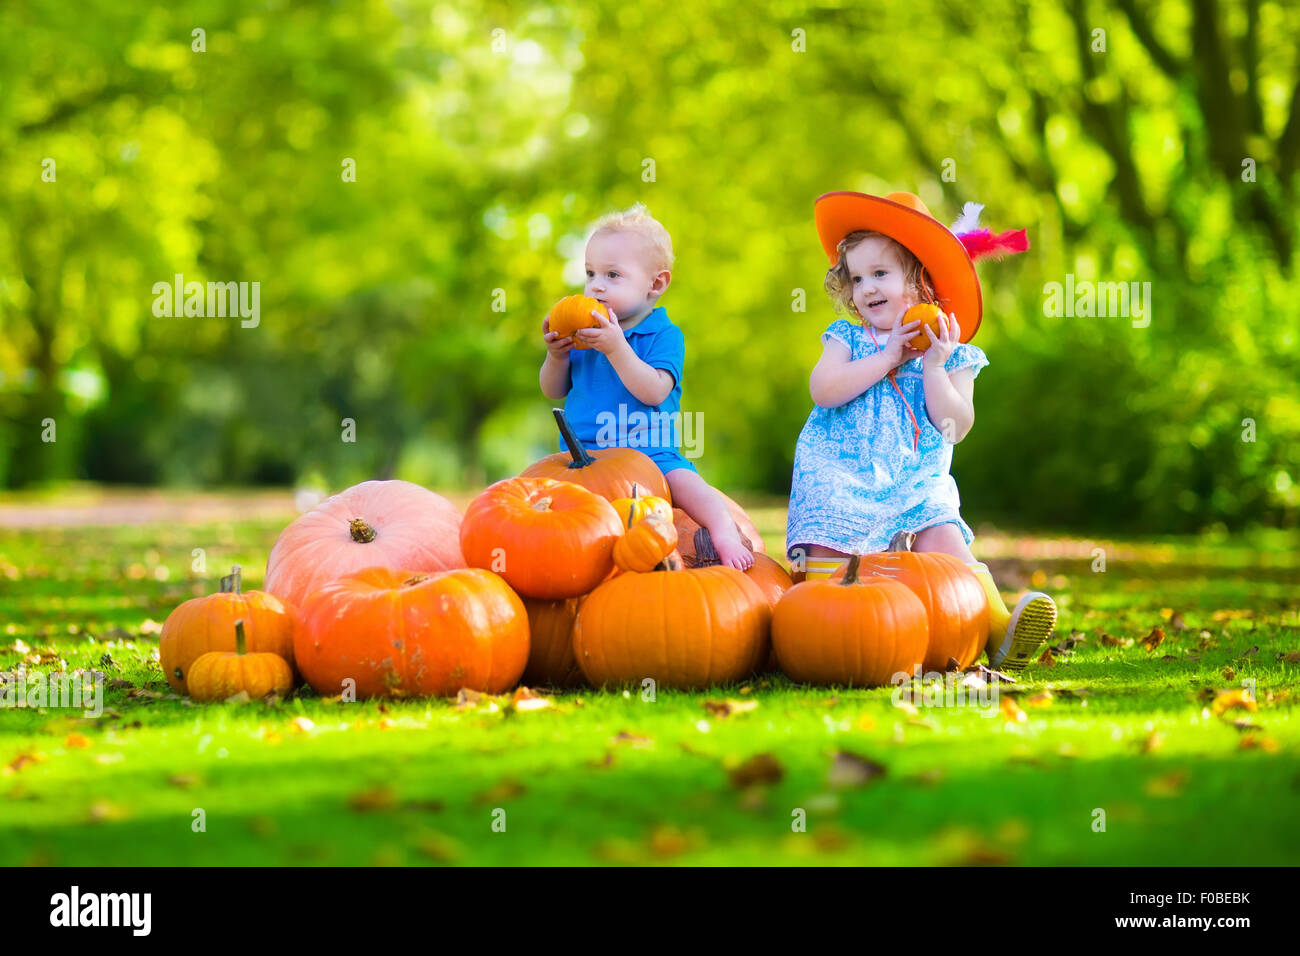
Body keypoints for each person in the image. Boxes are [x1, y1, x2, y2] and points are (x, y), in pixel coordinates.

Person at [786, 190, 1054, 672]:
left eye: (881, 274)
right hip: (840, 472)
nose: (866, 288)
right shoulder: (848, 338)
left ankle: (997, 628)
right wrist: (887, 356)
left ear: (920, 277)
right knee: (829, 547)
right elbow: (823, 390)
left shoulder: (954, 351)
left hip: (913, 479)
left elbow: (954, 426)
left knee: (946, 541)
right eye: (858, 278)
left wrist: (933, 364)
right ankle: (814, 632)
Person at [540, 203, 753, 570]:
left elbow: (654, 391)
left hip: (649, 453)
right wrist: (556, 357)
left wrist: (616, 347)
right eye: (590, 273)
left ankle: (724, 532)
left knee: (690, 486)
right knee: (542, 502)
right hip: (583, 458)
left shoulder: (664, 335)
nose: (596, 285)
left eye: (613, 275)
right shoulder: (584, 333)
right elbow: (552, 390)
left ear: (656, 284)